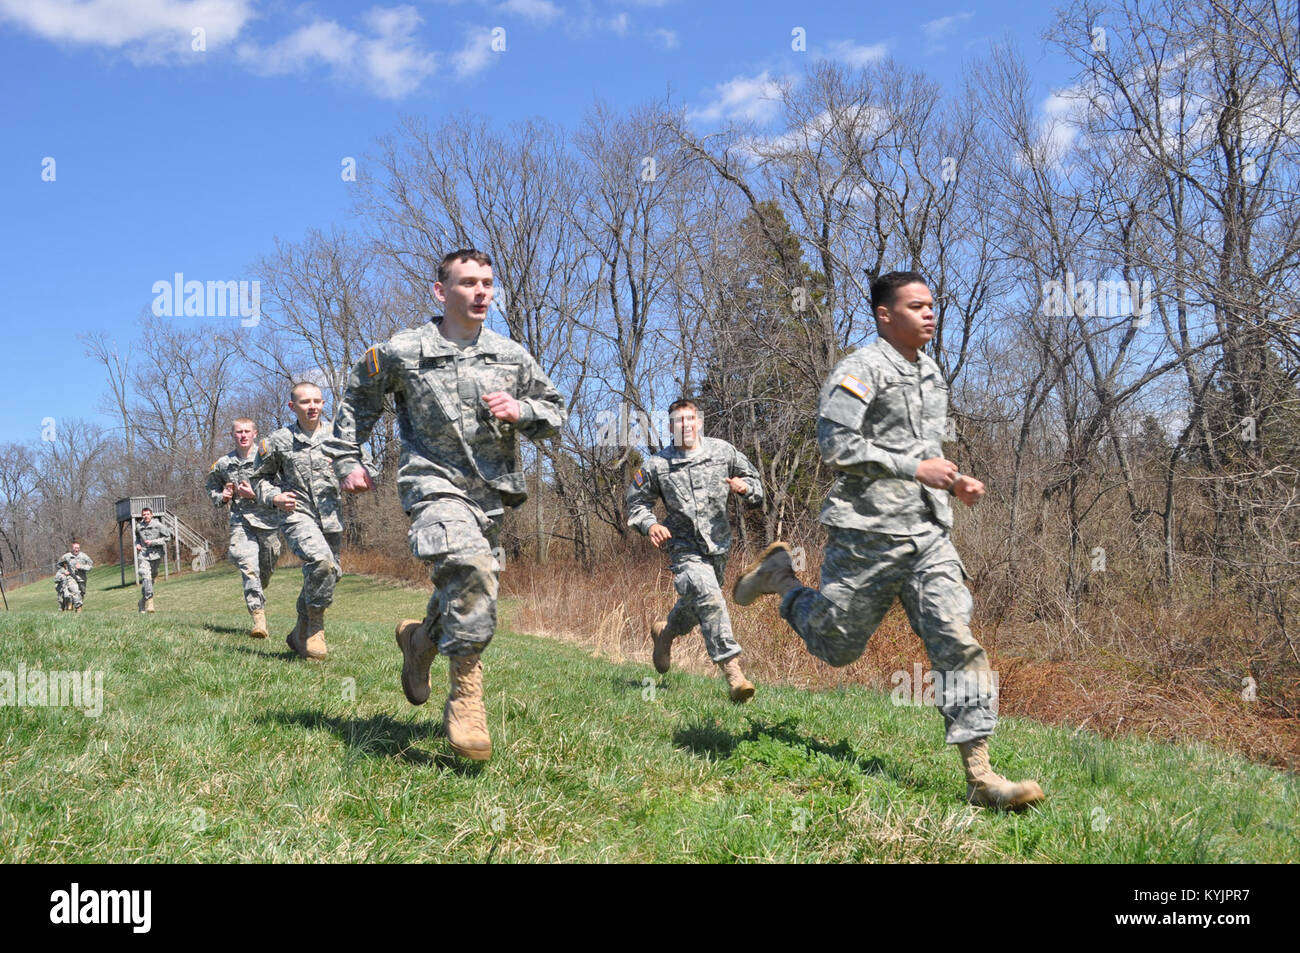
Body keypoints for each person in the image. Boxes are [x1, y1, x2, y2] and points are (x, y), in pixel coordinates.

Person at [733, 271, 1045, 811]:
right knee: (837, 647)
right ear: (885, 315)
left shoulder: (932, 374)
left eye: (933, 305)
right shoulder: (859, 369)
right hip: (867, 534)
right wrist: (912, 468)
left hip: (928, 534)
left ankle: (980, 776)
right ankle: (782, 581)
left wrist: (954, 480)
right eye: (917, 306)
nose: (930, 314)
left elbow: (927, 449)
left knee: (955, 637)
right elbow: (836, 447)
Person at [326, 248, 566, 761]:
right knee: (472, 567)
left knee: (467, 587)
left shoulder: (511, 355)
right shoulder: (403, 350)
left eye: (488, 282)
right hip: (431, 483)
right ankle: (467, 700)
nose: (482, 291)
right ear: (441, 292)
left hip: (491, 493)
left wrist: (522, 409)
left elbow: (555, 411)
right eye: (468, 283)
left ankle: (419, 642)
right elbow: (358, 398)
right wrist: (349, 460)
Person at [626, 399, 765, 701]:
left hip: (718, 545)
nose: (685, 425)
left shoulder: (723, 452)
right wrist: (650, 525)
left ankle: (666, 633)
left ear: (699, 422)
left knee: (696, 603)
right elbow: (636, 503)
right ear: (671, 427)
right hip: (682, 547)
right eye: (678, 421)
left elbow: (756, 483)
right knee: (709, 596)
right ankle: (732, 671)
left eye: (690, 419)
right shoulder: (658, 466)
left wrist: (745, 488)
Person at [253, 381, 372, 660]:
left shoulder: (337, 436)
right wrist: (275, 497)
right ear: (293, 406)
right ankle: (316, 629)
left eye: (317, 401)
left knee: (330, 574)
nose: (313, 406)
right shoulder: (279, 441)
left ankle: (299, 630)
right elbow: (258, 479)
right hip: (297, 514)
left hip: (331, 518)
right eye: (305, 402)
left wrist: (354, 473)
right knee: (321, 562)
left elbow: (366, 465)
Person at [206, 417, 283, 638]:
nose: (243, 435)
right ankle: (259, 620)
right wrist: (223, 496)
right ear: (232, 435)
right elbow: (211, 487)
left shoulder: (267, 459)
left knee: (265, 571)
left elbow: (284, 485)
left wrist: (257, 494)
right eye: (238, 432)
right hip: (240, 523)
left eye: (247, 431)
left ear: (255, 433)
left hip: (268, 522)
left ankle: (260, 588)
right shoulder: (223, 464)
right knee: (249, 568)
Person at [134, 508, 171, 613]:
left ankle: (142, 602)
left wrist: (153, 542)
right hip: (143, 555)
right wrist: (137, 544)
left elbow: (167, 538)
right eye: (144, 514)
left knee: (150, 580)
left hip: (156, 555)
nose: (145, 516)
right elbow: (137, 537)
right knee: (146, 577)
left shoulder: (158, 525)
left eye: (147, 514)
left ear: (152, 515)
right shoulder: (139, 526)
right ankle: (150, 603)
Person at [56, 541, 94, 613]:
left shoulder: (84, 556)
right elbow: (58, 565)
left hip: (82, 578)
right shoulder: (66, 556)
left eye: (78, 548)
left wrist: (82, 567)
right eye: (75, 548)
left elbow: (91, 566)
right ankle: (78, 609)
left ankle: (76, 607)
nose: (77, 549)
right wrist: (64, 571)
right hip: (71, 577)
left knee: (81, 593)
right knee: (75, 592)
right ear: (72, 548)